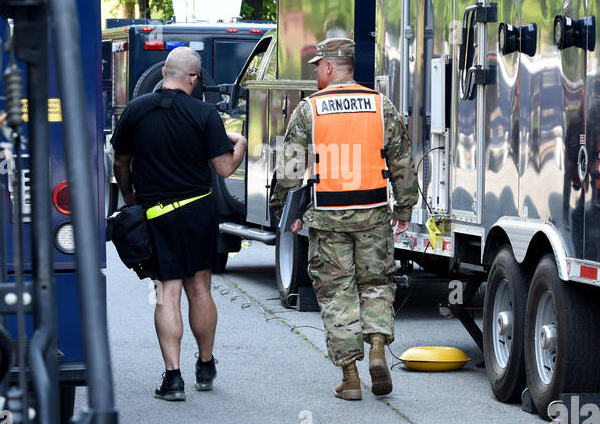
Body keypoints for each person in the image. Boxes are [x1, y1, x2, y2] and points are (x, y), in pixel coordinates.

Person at [271, 36, 417, 401]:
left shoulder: (310, 110)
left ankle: (350, 377)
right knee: (376, 284)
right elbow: (402, 161)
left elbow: (289, 167)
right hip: (373, 214)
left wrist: (282, 211)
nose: (317, 73)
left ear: (330, 67)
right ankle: (379, 347)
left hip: (328, 217)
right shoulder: (380, 106)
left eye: (319, 66)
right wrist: (404, 208)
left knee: (337, 293)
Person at [111, 46, 247, 401]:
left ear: (162, 74)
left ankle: (173, 378)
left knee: (166, 291)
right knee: (199, 288)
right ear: (193, 78)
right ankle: (205, 366)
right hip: (198, 211)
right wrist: (242, 144)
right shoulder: (205, 114)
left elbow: (120, 163)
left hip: (155, 213)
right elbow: (224, 168)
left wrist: (130, 199)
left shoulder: (136, 111)